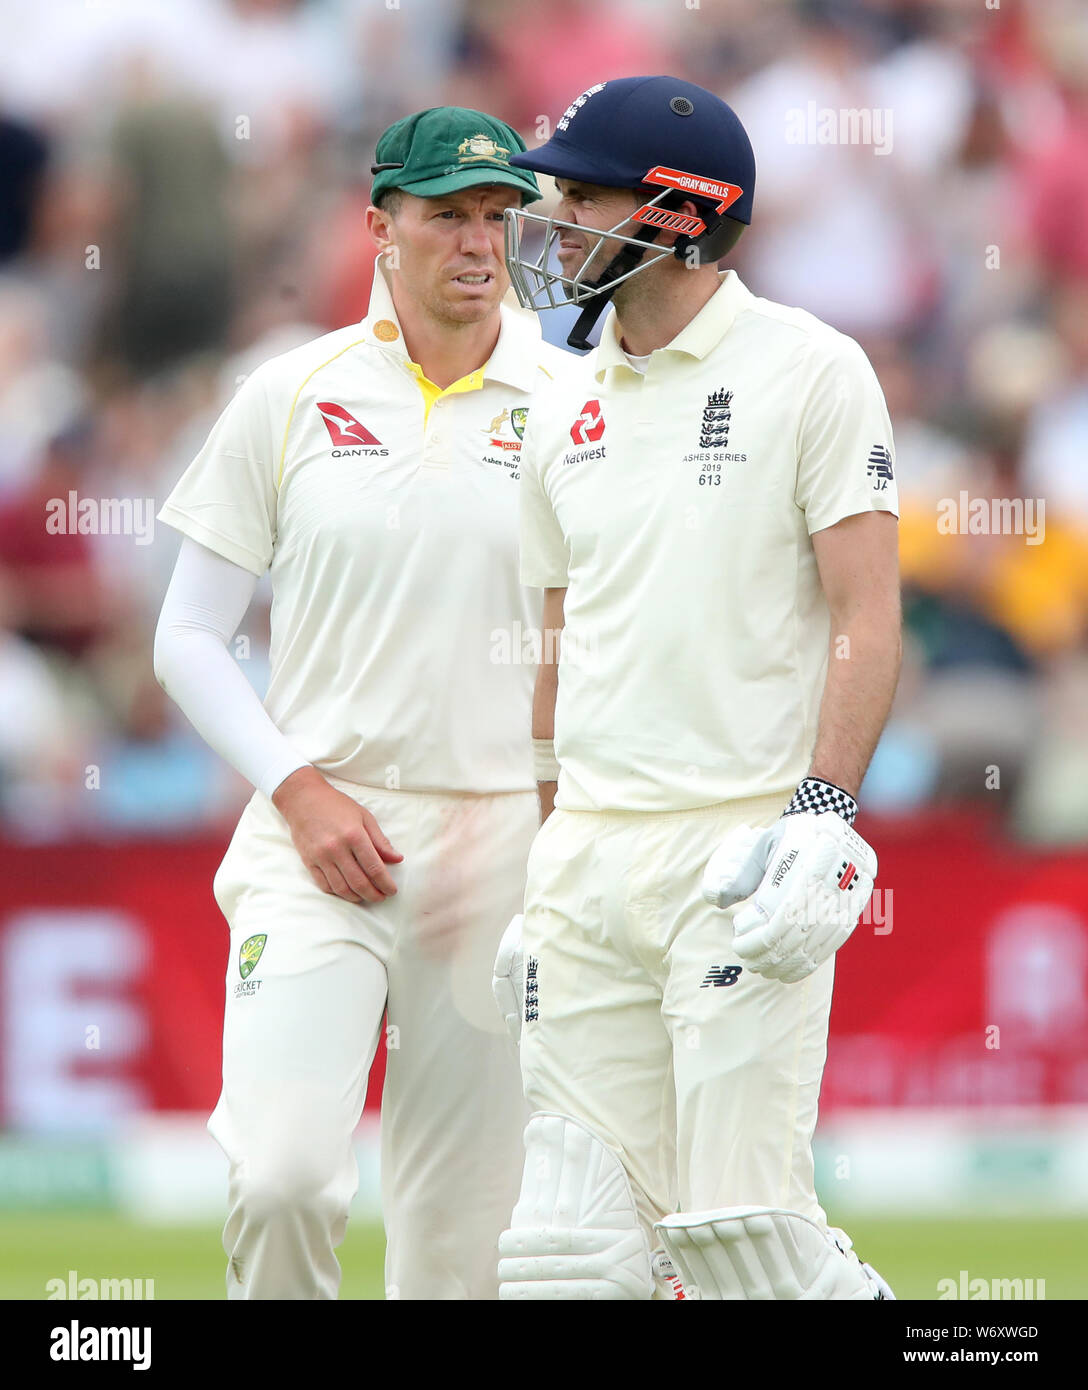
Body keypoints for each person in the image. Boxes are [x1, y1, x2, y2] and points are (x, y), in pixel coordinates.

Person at [493, 76, 902, 1300]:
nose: (553, 221)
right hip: (587, 863)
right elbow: (557, 641)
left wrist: (822, 814)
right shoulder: (563, 400)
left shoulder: (809, 369)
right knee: (570, 1263)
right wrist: (546, 850)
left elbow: (865, 613)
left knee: (742, 1245)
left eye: (583, 197)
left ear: (676, 214)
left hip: (738, 852)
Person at [153, 106, 572, 1300]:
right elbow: (187, 637)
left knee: (459, 1246)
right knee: (282, 1177)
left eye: (496, 217)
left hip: (504, 843)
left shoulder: (575, 401)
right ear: (381, 225)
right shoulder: (288, 391)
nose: (478, 243)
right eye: (447, 216)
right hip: (317, 827)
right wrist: (296, 789)